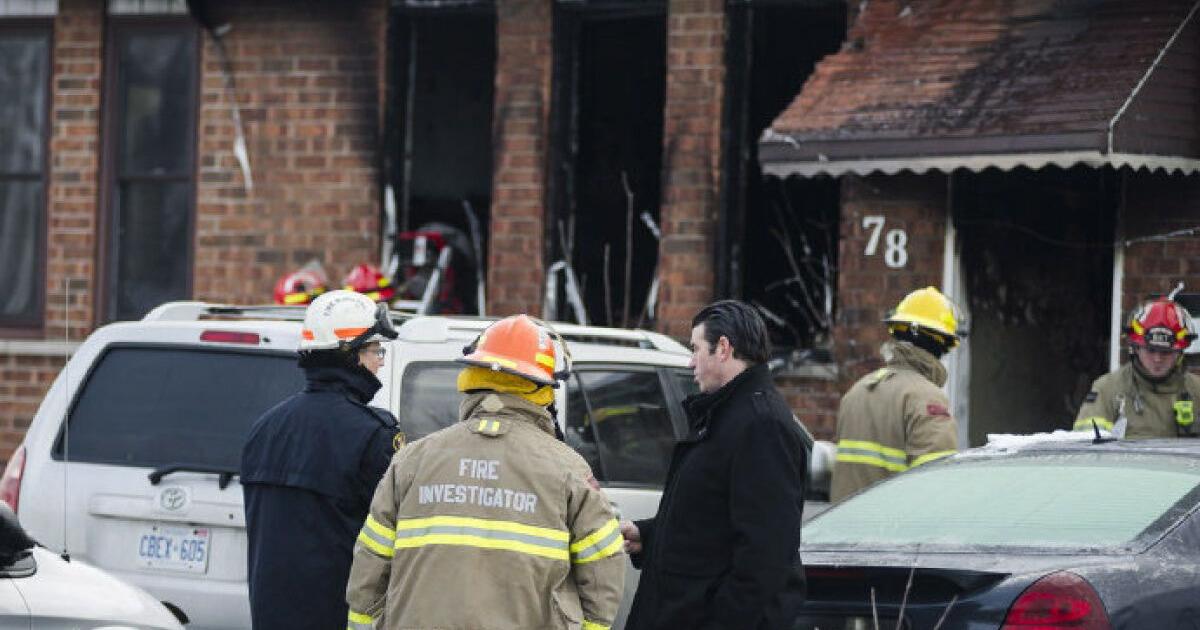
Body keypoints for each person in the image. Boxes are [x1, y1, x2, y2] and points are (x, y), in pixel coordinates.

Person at [345, 314, 624, 630]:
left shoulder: (413, 460)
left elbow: (370, 562)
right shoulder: (568, 470)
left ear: (472, 379)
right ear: (543, 390)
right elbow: (604, 567)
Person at [620, 300, 808, 630]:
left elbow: (764, 554)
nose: (691, 362)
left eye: (695, 349)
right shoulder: (725, 414)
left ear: (723, 348)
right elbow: (708, 521)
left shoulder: (761, 425)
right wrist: (648, 536)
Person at [241, 290, 401, 630]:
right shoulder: (375, 434)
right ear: (351, 354)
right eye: (375, 350)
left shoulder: (265, 427)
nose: (381, 361)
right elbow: (396, 540)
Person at [831, 286, 960, 503]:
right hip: (893, 534)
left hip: (840, 531)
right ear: (940, 344)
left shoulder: (858, 391)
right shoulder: (927, 400)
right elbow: (937, 492)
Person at [1074, 297, 1200, 439]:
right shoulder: (1109, 389)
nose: (1157, 359)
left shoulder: (1196, 391)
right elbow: (1086, 448)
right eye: (1150, 350)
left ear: (1180, 352)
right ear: (1136, 348)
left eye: (1166, 352)